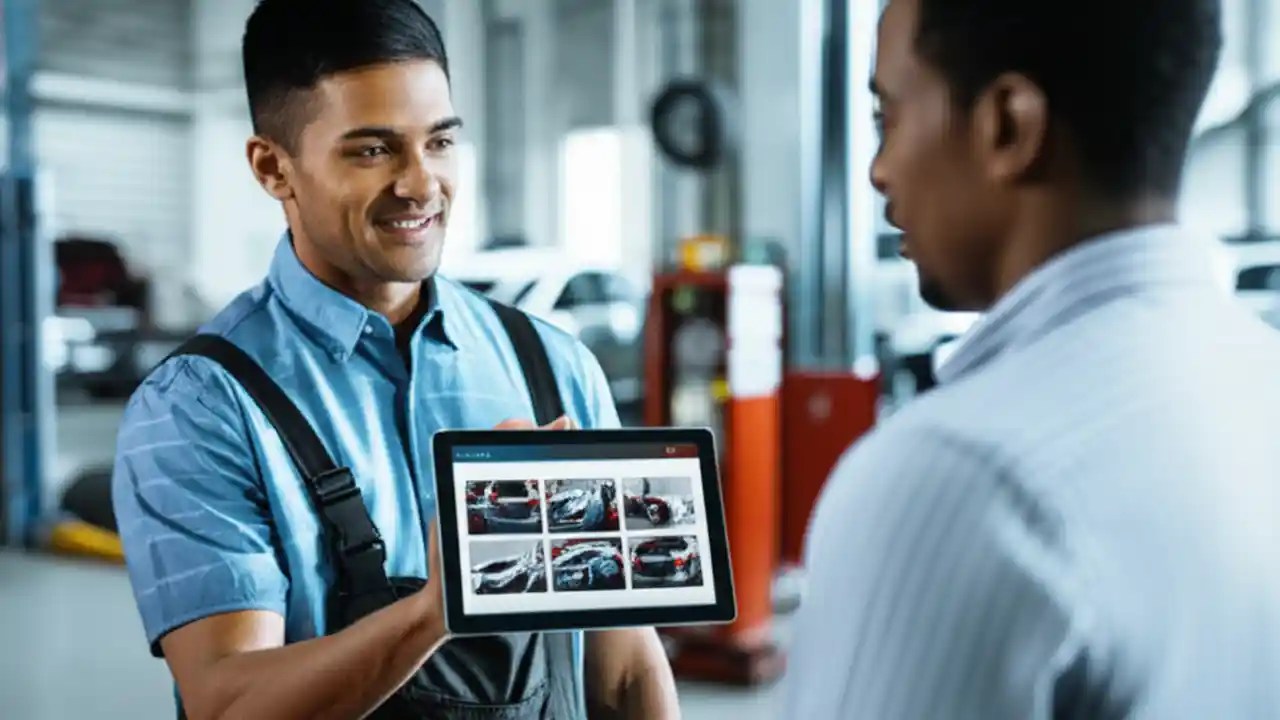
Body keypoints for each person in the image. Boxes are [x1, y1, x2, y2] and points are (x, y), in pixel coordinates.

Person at [110, 1, 678, 718]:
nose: (420, 183)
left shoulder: (554, 368)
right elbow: (229, 702)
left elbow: (625, 670)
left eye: (439, 143)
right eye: (372, 150)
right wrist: (437, 610)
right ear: (272, 167)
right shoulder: (199, 407)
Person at [786, 0, 1280, 717]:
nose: (878, 172)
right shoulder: (1258, 377)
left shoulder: (959, 479)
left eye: (886, 120)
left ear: (1009, 125)